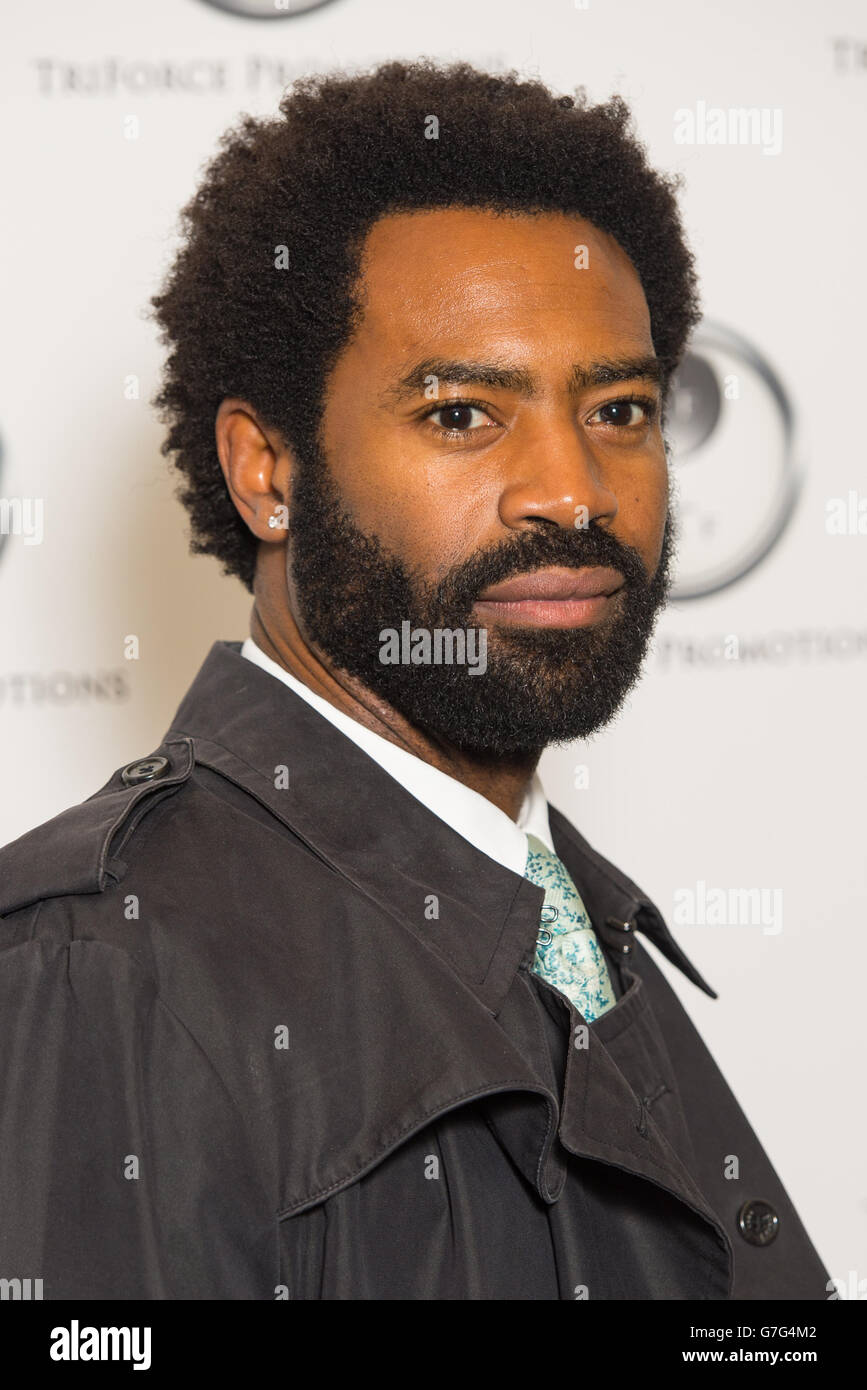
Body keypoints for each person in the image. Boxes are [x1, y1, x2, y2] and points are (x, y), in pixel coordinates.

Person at [0, 60, 829, 1300]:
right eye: (460, 415)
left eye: (619, 408)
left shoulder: (570, 926)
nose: (573, 489)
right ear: (267, 472)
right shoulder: (95, 967)